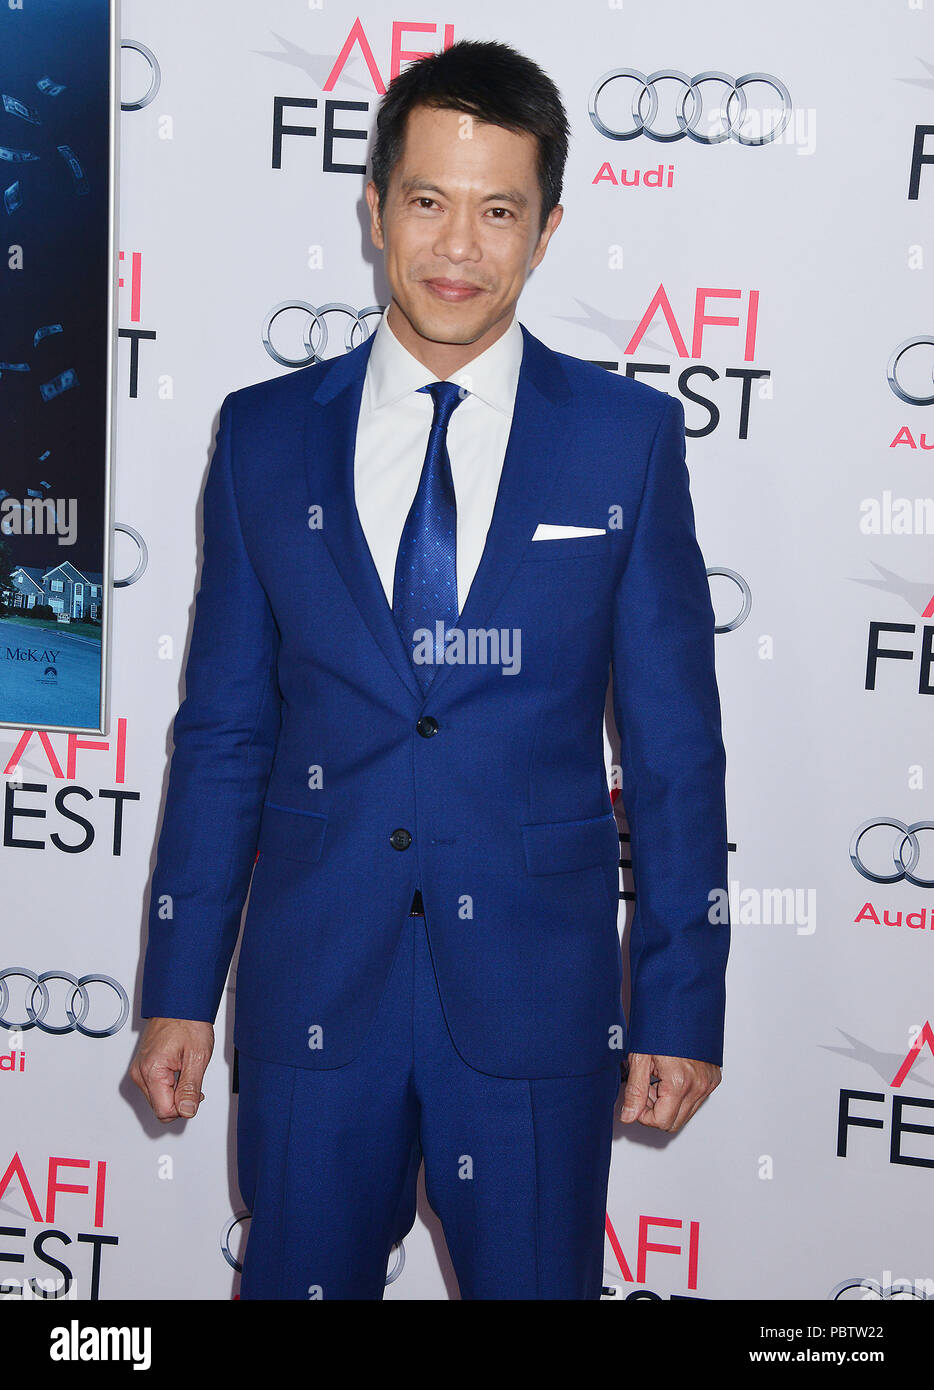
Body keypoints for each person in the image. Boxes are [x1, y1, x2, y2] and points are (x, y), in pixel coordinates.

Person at [129, 38, 730, 1301]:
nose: (459, 245)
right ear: (375, 208)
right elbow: (226, 730)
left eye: (498, 209)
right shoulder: (260, 435)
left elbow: (673, 749)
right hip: (313, 993)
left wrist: (679, 998)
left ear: (547, 228)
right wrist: (182, 988)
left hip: (536, 1006)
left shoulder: (625, 442)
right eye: (428, 200)